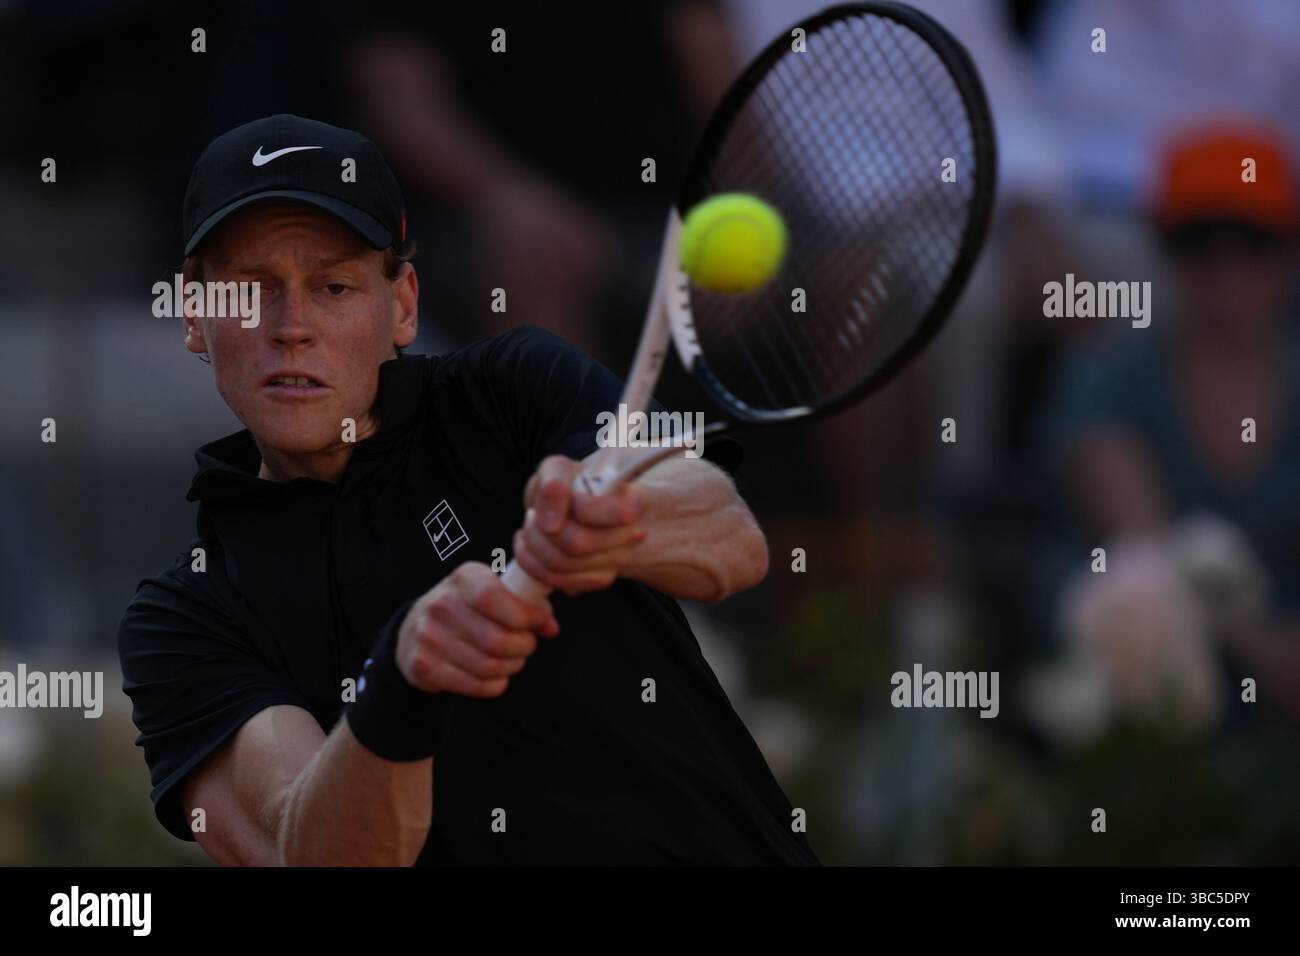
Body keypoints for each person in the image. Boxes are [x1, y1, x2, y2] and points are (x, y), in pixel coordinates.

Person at [117, 114, 819, 865]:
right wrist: (401, 687)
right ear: (194, 314)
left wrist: (613, 520)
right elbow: (307, 853)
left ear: (405, 305)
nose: (292, 326)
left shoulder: (512, 387)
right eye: (251, 291)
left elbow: (729, 541)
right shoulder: (186, 620)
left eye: (334, 284)